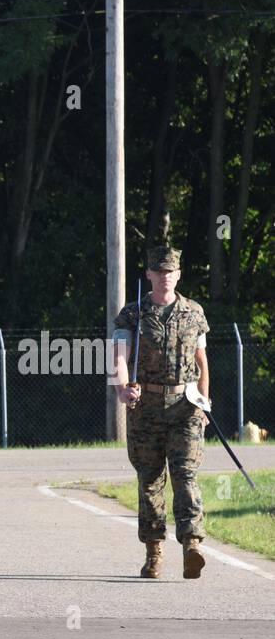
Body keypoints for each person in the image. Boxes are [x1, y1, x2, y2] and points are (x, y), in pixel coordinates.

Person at [114, 244, 211, 579]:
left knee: (185, 475)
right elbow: (118, 358)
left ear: (178, 274)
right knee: (150, 481)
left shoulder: (194, 313)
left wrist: (205, 403)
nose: (165, 277)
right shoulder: (132, 315)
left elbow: (202, 363)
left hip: (186, 407)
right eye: (159, 271)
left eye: (171, 271)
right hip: (146, 410)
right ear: (149, 275)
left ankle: (192, 545)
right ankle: (154, 551)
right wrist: (123, 388)